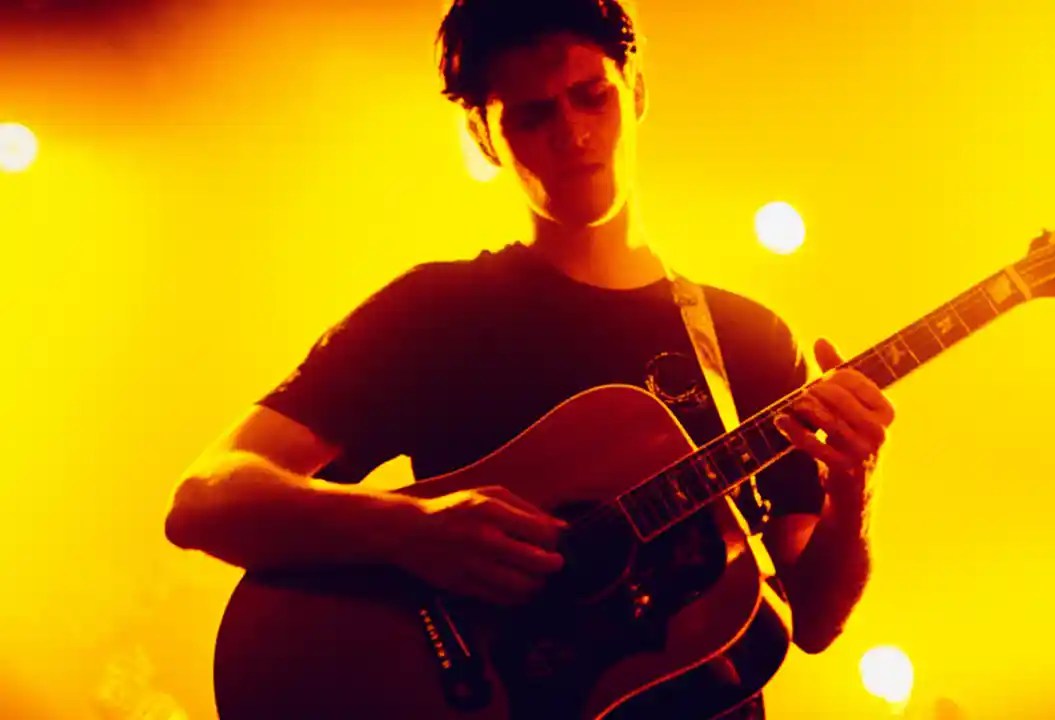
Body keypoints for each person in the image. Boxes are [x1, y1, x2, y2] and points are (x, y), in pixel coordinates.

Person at [164, 0, 895, 717]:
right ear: (483, 137)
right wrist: (411, 533)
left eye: (591, 96)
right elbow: (205, 500)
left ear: (635, 90)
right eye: (532, 115)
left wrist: (854, 482)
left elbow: (816, 621)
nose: (573, 133)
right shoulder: (436, 313)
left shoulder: (752, 338)